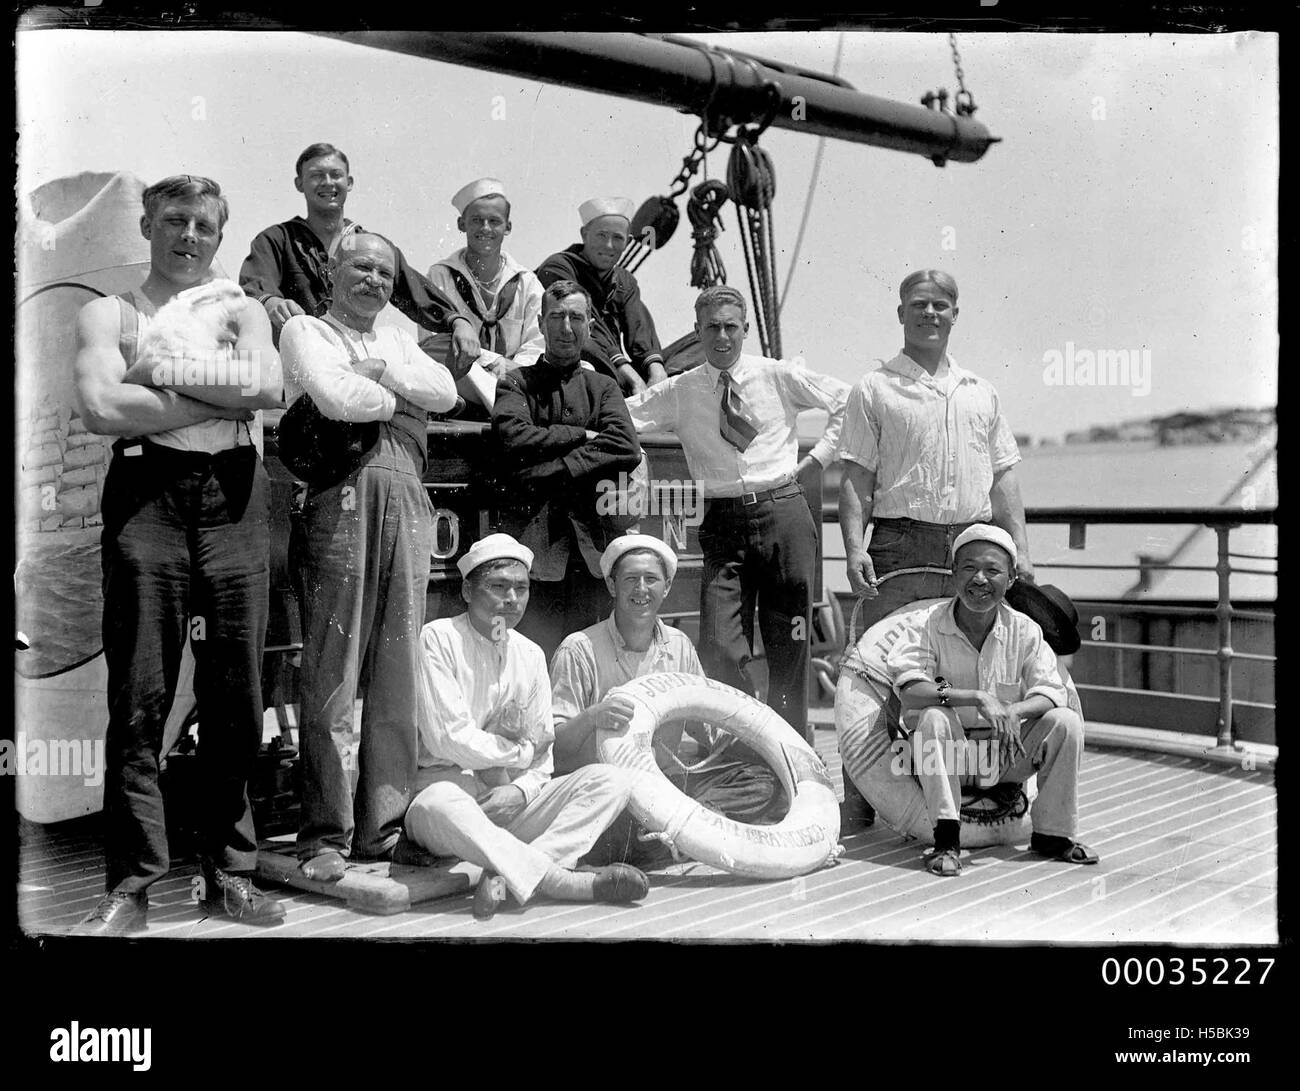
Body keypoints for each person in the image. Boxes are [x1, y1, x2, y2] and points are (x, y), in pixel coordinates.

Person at [70, 174, 285, 934]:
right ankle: (131, 888)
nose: (188, 235)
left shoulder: (240, 307)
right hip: (145, 492)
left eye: (202, 223)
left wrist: (158, 373)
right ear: (147, 223)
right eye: (173, 220)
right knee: (140, 694)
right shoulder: (109, 311)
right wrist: (219, 391)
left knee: (237, 694)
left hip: (232, 492)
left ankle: (231, 871)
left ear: (220, 235)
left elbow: (267, 381)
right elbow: (102, 407)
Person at [278, 231, 458, 880]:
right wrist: (388, 392)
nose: (374, 281)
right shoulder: (305, 330)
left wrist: (380, 372)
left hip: (406, 497)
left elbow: (442, 390)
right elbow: (334, 398)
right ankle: (325, 835)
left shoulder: (398, 338)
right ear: (332, 270)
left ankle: (382, 830)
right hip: (338, 500)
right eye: (360, 267)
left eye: (384, 272)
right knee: (333, 670)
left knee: (398, 670)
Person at [836, 269, 1034, 828]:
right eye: (918, 304)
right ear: (900, 313)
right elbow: (855, 476)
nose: (930, 314)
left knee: (975, 667)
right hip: (900, 540)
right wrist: (855, 547)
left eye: (941, 305)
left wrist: (1019, 547)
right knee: (877, 670)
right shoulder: (873, 389)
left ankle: (976, 789)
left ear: (954, 314)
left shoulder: (980, 392)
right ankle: (863, 796)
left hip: (972, 544)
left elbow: (1003, 476)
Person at [625, 285, 849, 742]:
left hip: (784, 512)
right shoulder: (681, 391)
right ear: (697, 331)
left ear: (745, 329)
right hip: (723, 522)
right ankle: (746, 746)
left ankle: (791, 752)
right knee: (721, 646)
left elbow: (848, 401)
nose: (722, 336)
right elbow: (622, 417)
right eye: (712, 328)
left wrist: (820, 458)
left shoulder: (778, 376)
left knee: (791, 640)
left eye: (731, 327)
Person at [404, 533, 651, 919]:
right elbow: (449, 739)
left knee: (613, 781)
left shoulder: (530, 654)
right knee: (438, 805)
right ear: (468, 591)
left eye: (521, 588)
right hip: (452, 795)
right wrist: (518, 753)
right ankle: (563, 882)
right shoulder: (438, 638)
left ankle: (508, 870)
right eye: (497, 586)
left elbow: (545, 756)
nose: (511, 599)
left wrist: (520, 792)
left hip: (511, 803)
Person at [551, 534, 787, 867]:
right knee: (617, 824)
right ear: (612, 586)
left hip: (668, 785)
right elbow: (554, 750)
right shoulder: (579, 650)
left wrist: (765, 744)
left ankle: (679, 834)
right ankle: (691, 834)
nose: (641, 589)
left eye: (651, 579)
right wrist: (592, 716)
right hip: (608, 792)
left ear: (666, 588)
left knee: (763, 782)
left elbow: (707, 728)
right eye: (631, 579)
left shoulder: (678, 645)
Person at [883, 524, 1098, 877]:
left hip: (1003, 756)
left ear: (1011, 579)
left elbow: (1051, 691)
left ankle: (1052, 835)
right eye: (969, 568)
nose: (979, 579)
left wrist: (1015, 710)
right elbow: (908, 689)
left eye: (993, 570)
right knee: (934, 717)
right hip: (945, 756)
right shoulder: (926, 625)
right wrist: (976, 698)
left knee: (1066, 722)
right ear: (954, 575)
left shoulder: (1025, 631)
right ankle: (946, 839)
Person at [491, 279, 642, 662]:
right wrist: (582, 435)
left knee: (589, 662)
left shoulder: (603, 386)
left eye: (576, 317)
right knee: (534, 659)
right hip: (535, 550)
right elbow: (512, 438)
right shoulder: (515, 382)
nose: (566, 327)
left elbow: (625, 447)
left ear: (590, 325)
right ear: (540, 323)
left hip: (592, 552)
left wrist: (556, 466)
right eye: (556, 317)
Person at [238, 141, 481, 374]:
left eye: (336, 175)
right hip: (305, 360)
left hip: (361, 355)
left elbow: (416, 293)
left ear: (349, 182)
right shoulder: (276, 239)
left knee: (452, 346)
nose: (327, 182)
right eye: (316, 175)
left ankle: (389, 383)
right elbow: (253, 290)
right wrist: (271, 304)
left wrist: (457, 320)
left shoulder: (372, 248)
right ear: (299, 183)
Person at [425, 177, 544, 412]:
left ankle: (501, 402)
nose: (485, 228)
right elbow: (434, 337)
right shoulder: (441, 274)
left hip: (514, 377)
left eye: (494, 221)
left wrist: (513, 368)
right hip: (465, 376)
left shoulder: (526, 281)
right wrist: (490, 362)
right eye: (477, 220)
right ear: (461, 224)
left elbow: (538, 341)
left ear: (508, 227)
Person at [536, 196, 667, 396]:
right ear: (584, 234)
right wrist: (633, 378)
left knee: (699, 343)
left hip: (618, 369)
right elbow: (589, 329)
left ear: (627, 242)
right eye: (601, 235)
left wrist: (656, 372)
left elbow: (639, 327)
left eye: (617, 238)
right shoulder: (558, 268)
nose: (608, 245)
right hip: (581, 362)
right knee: (580, 337)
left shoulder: (625, 281)